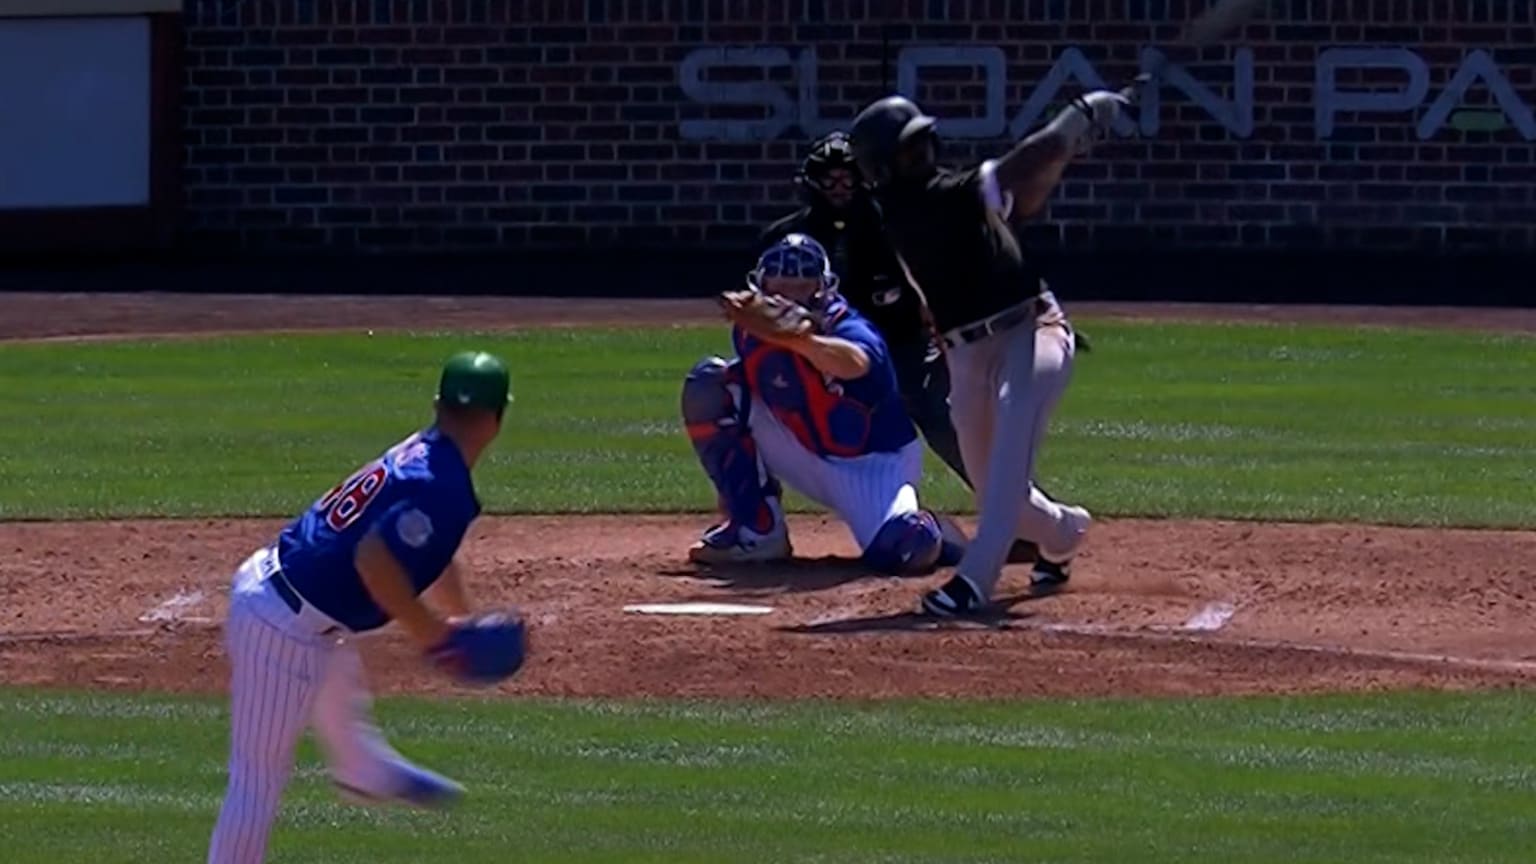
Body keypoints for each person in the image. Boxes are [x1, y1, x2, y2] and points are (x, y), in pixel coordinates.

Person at [207, 351, 518, 864]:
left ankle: (362, 769)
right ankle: (358, 770)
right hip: (279, 623)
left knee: (334, 664)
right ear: (496, 420)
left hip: (284, 596)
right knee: (255, 783)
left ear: (439, 405)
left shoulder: (427, 453)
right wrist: (433, 637)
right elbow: (375, 561)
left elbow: (431, 556)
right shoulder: (440, 485)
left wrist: (459, 615)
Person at [848, 87, 1130, 616]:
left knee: (1006, 459)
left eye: (924, 146)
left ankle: (975, 581)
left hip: (1031, 331)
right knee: (998, 489)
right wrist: (1081, 121)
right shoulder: (903, 216)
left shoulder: (951, 194)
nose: (924, 158)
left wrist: (1078, 119)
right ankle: (1066, 532)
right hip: (966, 354)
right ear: (882, 167)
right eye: (910, 152)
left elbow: (1027, 166)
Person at [759, 131, 1043, 567]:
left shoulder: (891, 227)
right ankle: (755, 522)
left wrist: (939, 332)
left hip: (899, 345)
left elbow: (930, 285)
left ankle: (1022, 517)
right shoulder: (787, 238)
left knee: (940, 410)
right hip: (816, 349)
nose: (839, 188)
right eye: (829, 180)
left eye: (847, 179)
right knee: (746, 393)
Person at [680, 233, 962, 575]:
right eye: (778, 286)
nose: (785, 298)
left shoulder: (846, 326)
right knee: (710, 384)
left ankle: (941, 532)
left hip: (873, 463)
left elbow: (853, 362)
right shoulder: (750, 328)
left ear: (821, 289)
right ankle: (757, 529)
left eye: (799, 287)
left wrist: (799, 338)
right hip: (801, 445)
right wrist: (732, 492)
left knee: (906, 549)